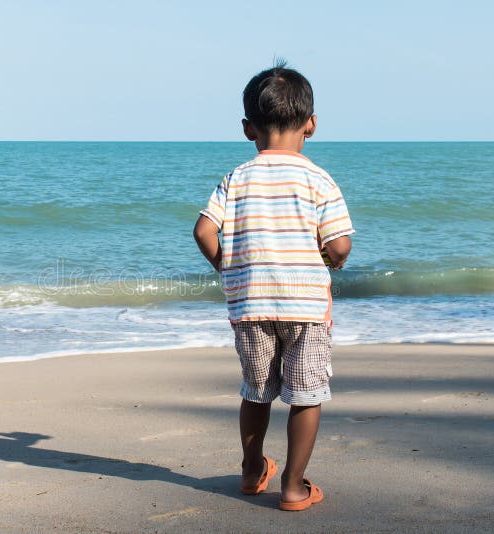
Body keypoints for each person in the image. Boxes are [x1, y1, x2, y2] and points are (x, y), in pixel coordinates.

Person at [193, 62, 355, 511]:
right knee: (306, 394)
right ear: (312, 124)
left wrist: (228, 267)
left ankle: (250, 470)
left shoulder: (236, 178)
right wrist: (329, 262)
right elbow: (339, 244)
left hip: (250, 304)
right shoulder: (319, 179)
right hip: (304, 307)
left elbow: (204, 232)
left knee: (256, 389)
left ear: (248, 129)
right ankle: (292, 484)